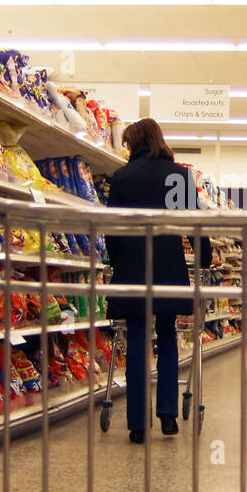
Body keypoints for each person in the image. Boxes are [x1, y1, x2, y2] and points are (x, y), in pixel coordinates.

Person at [105, 118, 213, 444]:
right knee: (167, 337)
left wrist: (118, 260)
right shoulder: (179, 175)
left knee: (137, 341)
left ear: (135, 142)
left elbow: (112, 229)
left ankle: (138, 424)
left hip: (133, 270)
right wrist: (203, 257)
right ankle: (167, 415)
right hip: (168, 267)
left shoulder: (122, 177)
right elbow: (194, 222)